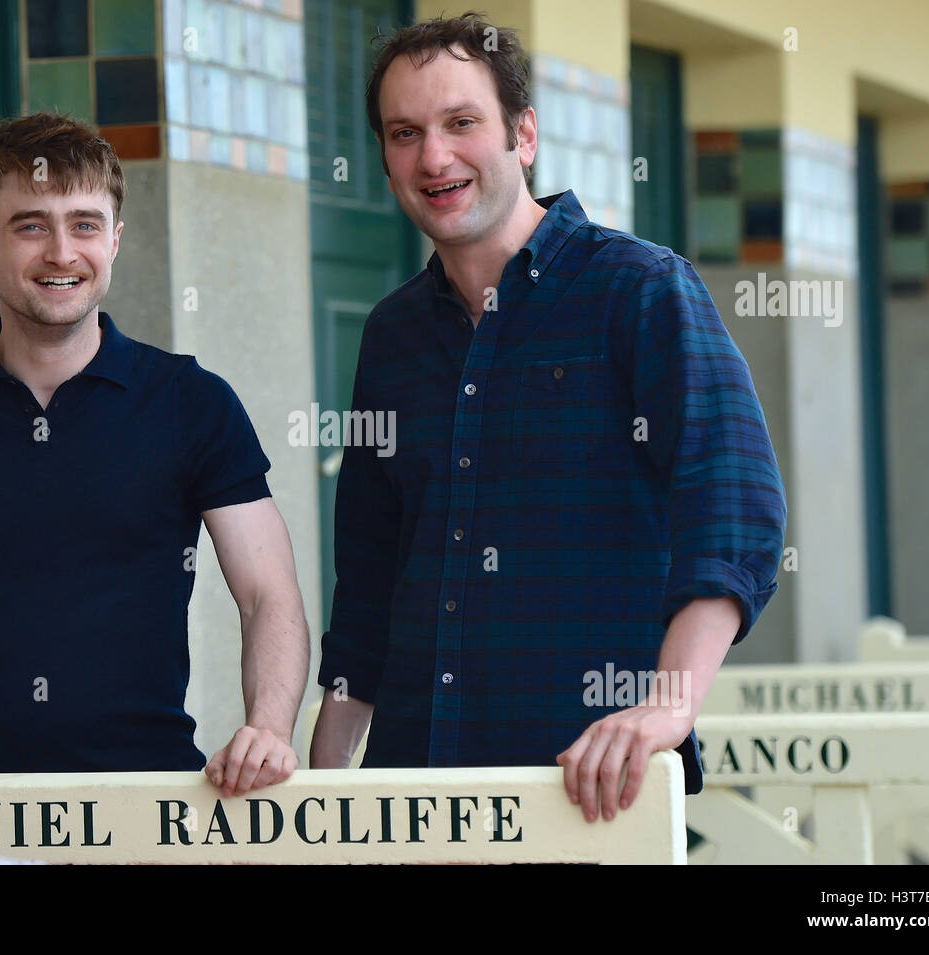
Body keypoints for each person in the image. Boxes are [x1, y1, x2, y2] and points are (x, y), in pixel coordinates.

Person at [309, 14, 786, 824]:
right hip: (415, 796)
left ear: (522, 135)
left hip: (590, 789)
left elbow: (733, 504)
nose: (434, 157)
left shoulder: (640, 291)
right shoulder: (391, 334)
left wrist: (670, 707)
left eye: (462, 123)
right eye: (404, 132)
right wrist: (322, 782)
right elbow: (369, 573)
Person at [0, 113, 309, 816]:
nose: (62, 251)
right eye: (30, 225)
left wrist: (269, 729)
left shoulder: (191, 403)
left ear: (115, 240)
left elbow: (268, 594)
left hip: (153, 808)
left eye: (85, 224)